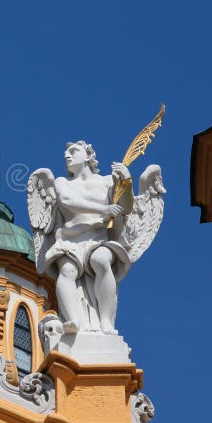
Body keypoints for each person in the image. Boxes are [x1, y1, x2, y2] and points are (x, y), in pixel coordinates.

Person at [47, 141, 132, 335]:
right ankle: (73, 320)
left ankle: (106, 321)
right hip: (69, 239)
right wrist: (103, 209)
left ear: (88, 156)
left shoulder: (107, 181)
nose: (67, 156)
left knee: (101, 260)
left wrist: (127, 183)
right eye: (65, 153)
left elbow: (125, 208)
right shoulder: (62, 182)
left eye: (73, 151)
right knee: (67, 270)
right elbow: (66, 200)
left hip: (98, 237)